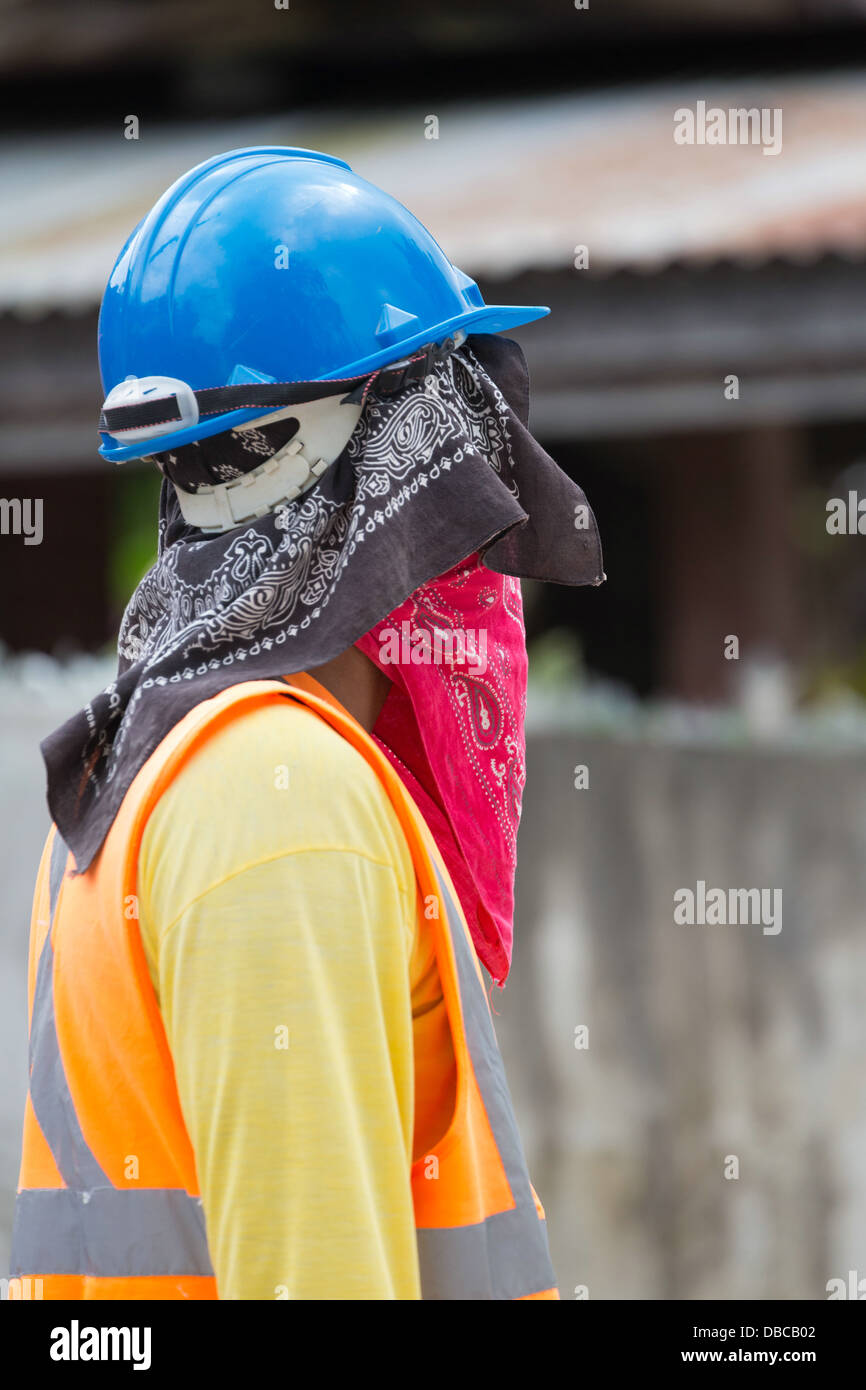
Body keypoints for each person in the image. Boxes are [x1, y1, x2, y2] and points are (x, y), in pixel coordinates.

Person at [10, 147, 603, 1300]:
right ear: (392, 479)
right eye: (469, 466)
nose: (496, 531)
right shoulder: (277, 797)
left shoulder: (150, 765)